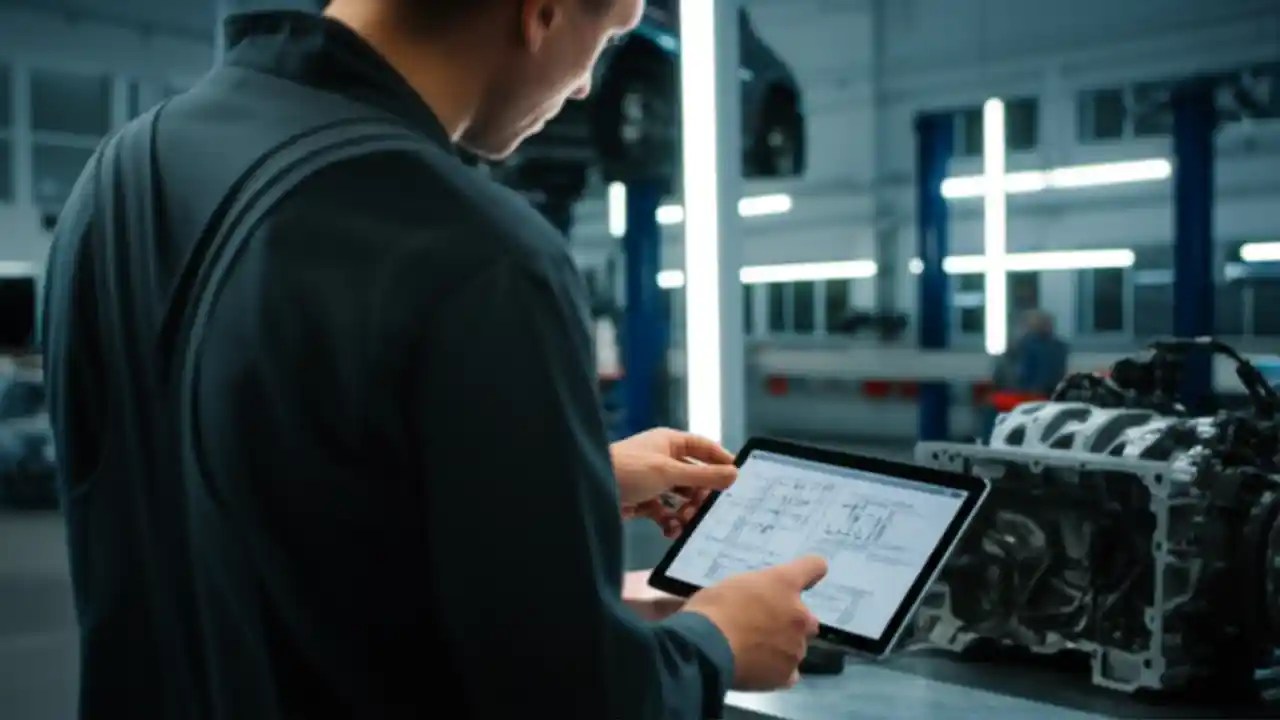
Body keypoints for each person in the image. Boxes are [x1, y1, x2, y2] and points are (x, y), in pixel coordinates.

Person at [40, 1, 829, 719]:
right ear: (541, 11)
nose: (589, 87)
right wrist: (718, 640)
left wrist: (561, 476)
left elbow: (251, 487)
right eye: (610, 37)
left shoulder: (120, 173)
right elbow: (571, 697)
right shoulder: (480, 253)